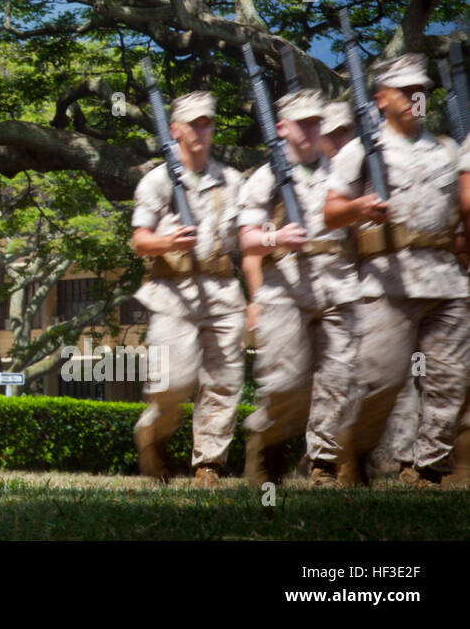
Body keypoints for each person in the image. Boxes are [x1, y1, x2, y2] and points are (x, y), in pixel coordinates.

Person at [324, 54, 470, 487]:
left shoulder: (449, 150)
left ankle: (428, 469)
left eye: (421, 91)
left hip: (446, 278)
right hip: (387, 281)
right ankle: (352, 453)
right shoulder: (362, 151)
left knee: (449, 379)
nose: (415, 98)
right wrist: (359, 206)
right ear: (381, 99)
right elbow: (331, 212)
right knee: (380, 381)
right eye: (405, 92)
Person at [237, 90, 359, 487]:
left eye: (315, 122)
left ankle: (323, 464)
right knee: (288, 384)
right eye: (301, 123)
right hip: (286, 289)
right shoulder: (265, 177)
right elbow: (247, 240)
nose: (309, 130)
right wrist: (277, 239)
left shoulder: (345, 171)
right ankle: (265, 438)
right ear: (281, 128)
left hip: (338, 284)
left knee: (338, 378)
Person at [130, 91, 245, 486]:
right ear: (175, 129)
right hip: (172, 293)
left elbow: (245, 238)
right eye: (192, 123)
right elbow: (139, 240)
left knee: (223, 381)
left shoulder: (232, 181)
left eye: (207, 123)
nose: (200, 130)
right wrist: (167, 243)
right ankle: (154, 433)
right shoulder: (157, 181)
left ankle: (208, 464)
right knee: (172, 382)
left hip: (223, 291)